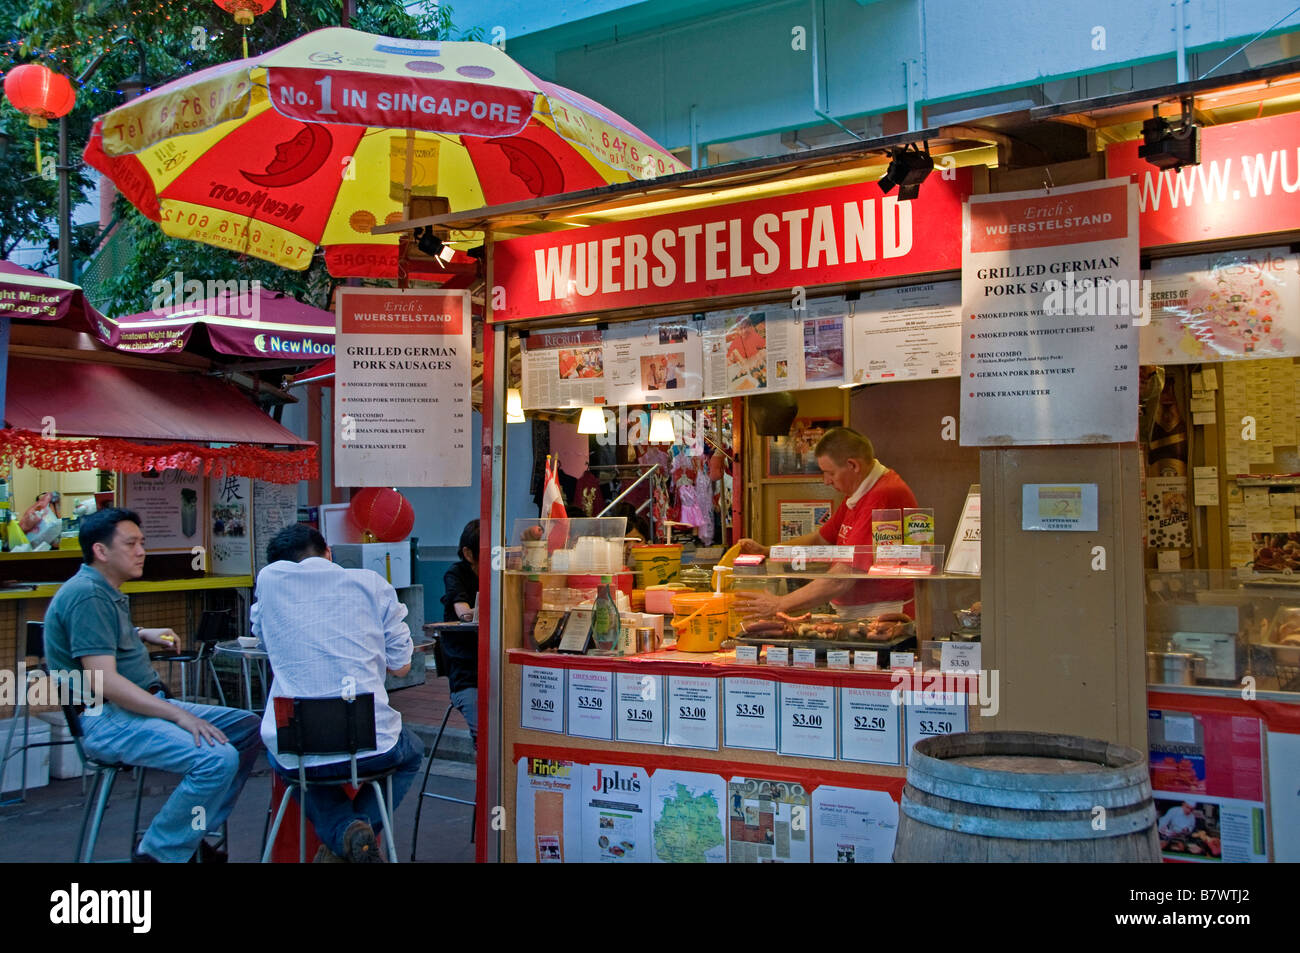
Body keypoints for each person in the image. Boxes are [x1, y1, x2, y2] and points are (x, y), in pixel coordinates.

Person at [42, 508, 262, 863]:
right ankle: (160, 852)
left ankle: (191, 833)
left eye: (142, 543)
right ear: (101, 551)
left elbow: (105, 640)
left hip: (134, 707)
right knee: (217, 759)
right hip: (108, 717)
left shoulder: (102, 590)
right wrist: (179, 715)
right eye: (131, 544)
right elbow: (107, 681)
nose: (141, 551)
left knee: (247, 728)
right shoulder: (88, 596)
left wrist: (143, 633)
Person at [253, 523, 422, 863]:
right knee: (413, 751)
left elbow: (261, 638)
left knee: (292, 763)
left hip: (297, 738)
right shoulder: (372, 584)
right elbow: (402, 666)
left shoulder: (269, 584)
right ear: (328, 553)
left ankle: (343, 837)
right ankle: (349, 834)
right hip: (371, 740)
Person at [733, 427, 918, 619]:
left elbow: (842, 578)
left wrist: (780, 603)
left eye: (829, 473)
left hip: (885, 614)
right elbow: (821, 539)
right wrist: (768, 551)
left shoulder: (881, 495)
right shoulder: (860, 492)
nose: (826, 481)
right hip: (860, 610)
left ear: (853, 465)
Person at [440, 520, 480, 746]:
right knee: (484, 735)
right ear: (467, 553)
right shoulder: (455, 575)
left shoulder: (499, 571)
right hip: (465, 674)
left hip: (495, 670)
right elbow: (463, 612)